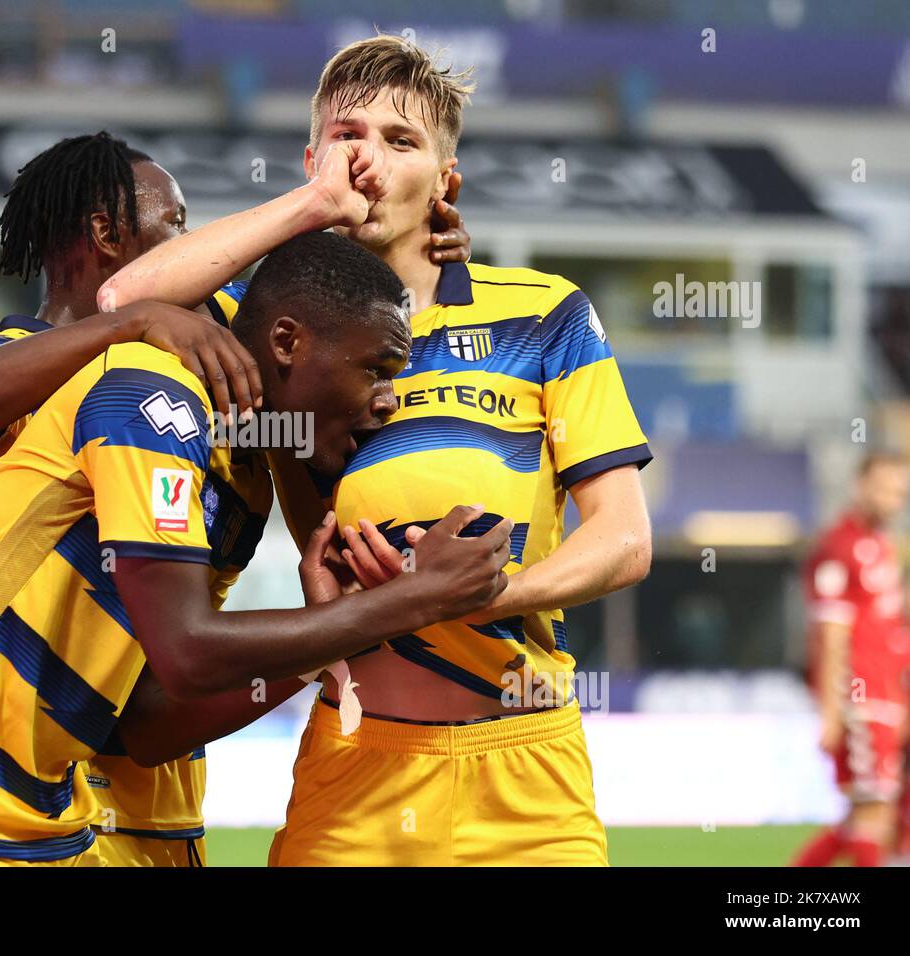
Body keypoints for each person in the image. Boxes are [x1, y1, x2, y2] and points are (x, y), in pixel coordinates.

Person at [102, 34, 654, 866]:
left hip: (527, 777)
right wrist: (311, 208)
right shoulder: (269, 322)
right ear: (313, 157)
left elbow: (624, 538)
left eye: (402, 142)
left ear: (446, 180)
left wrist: (476, 595)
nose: (368, 161)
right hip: (356, 763)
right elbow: (121, 298)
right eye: (346, 136)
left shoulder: (545, 314)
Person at [0, 231, 512, 867]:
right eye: (379, 369)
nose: (390, 400)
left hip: (29, 816)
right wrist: (411, 600)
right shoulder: (146, 393)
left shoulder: (241, 470)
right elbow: (189, 649)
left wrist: (330, 634)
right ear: (287, 342)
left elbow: (148, 722)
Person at [0, 131, 472, 865]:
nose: (196, 248)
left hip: (158, 792)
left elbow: (323, 312)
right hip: (33, 794)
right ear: (107, 234)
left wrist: (408, 237)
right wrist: (131, 318)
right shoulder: (30, 367)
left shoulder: (215, 368)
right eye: (175, 225)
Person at [793, 452, 910, 867]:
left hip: (888, 696)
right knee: (873, 812)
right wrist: (830, 712)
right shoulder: (839, 546)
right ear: (860, 486)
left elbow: (892, 633)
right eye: (885, 489)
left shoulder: (883, 546)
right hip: (861, 698)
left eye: (900, 493)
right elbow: (833, 635)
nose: (894, 501)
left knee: (873, 813)